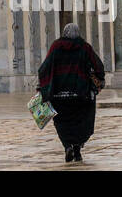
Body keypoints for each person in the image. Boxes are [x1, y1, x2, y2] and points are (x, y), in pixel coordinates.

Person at [37, 22, 105, 163]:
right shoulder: (84, 47)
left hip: (58, 95)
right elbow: (98, 66)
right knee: (81, 121)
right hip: (80, 94)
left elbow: (44, 68)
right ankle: (77, 150)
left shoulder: (56, 46)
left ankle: (67, 146)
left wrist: (43, 86)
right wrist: (98, 80)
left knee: (62, 122)